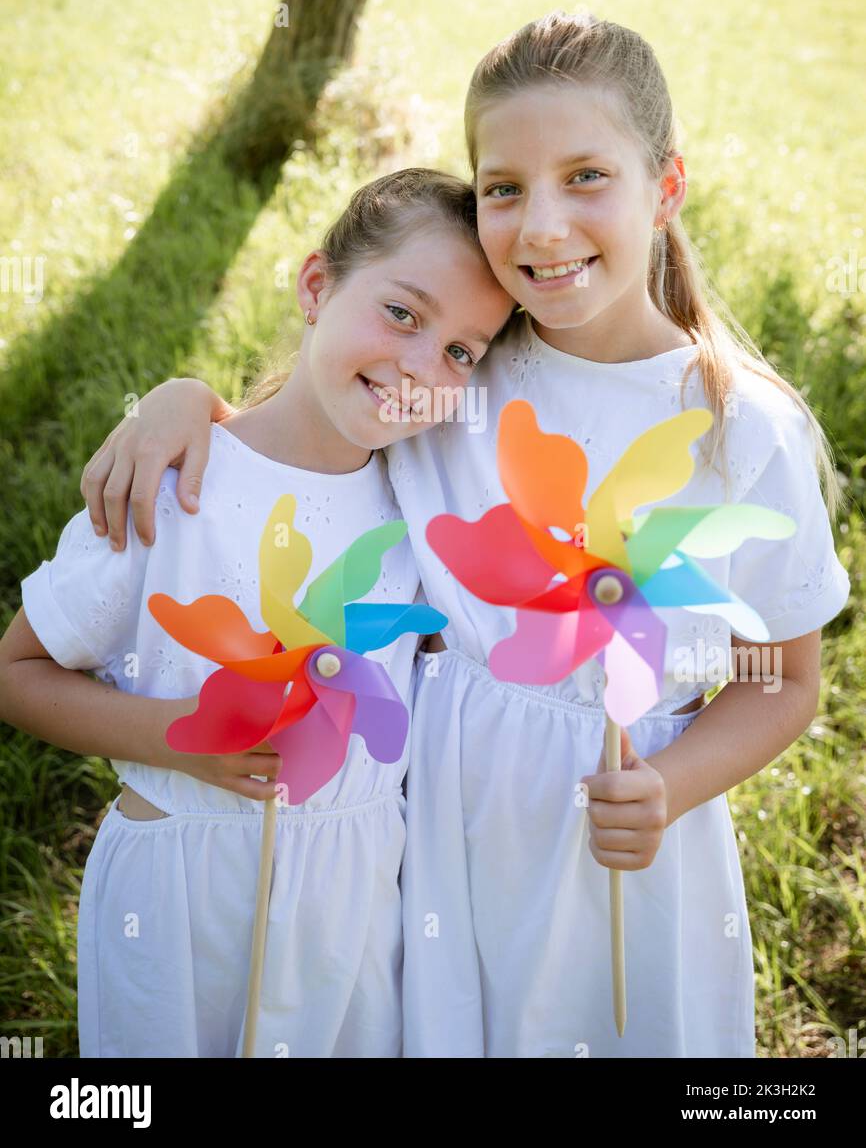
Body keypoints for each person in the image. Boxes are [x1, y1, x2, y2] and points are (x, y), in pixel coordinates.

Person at [72, 13, 851, 1059]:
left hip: (625, 830)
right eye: (502, 187)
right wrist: (185, 399)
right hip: (441, 824)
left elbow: (780, 677)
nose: (539, 227)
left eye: (585, 176)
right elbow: (313, 430)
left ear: (664, 188)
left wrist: (670, 785)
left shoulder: (741, 428)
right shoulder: (464, 368)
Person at [0, 167, 516, 1058]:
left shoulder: (422, 508)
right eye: (402, 313)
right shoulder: (174, 484)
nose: (422, 368)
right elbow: (17, 673)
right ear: (317, 287)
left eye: (463, 352)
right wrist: (175, 735)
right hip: (182, 896)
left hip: (353, 895)